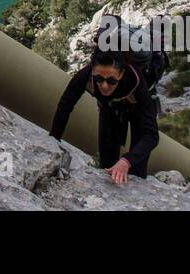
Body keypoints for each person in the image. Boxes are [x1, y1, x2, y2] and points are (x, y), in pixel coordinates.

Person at [48, 45, 160, 184]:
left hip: (137, 111)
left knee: (136, 171)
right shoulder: (85, 75)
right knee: (107, 166)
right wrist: (53, 141)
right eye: (99, 79)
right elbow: (65, 107)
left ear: (121, 74)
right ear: (93, 71)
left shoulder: (136, 82)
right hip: (109, 109)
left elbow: (151, 136)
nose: (105, 86)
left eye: (112, 81)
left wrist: (126, 161)